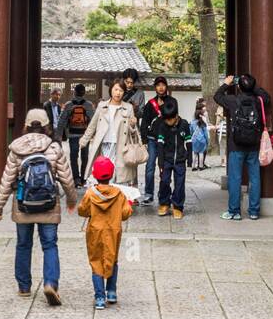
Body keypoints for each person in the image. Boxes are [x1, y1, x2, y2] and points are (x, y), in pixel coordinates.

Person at [0, 108, 78, 306]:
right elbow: (67, 179)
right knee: (49, 244)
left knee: (23, 244)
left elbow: (7, 180)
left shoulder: (16, 149)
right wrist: (72, 200)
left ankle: (24, 286)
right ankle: (50, 283)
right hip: (49, 205)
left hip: (23, 205)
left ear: (27, 126)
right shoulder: (54, 149)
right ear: (47, 126)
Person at [213, 73, 273, 221]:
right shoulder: (258, 101)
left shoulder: (233, 100)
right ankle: (254, 212)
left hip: (236, 145)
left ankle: (234, 212)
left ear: (239, 86)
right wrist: (254, 87)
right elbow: (267, 97)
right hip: (253, 144)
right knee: (255, 178)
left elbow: (217, 96)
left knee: (235, 178)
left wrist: (227, 83)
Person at [78, 156, 133, 310]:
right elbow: (125, 214)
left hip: (95, 232)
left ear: (95, 174)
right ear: (111, 174)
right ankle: (112, 292)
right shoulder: (119, 194)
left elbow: (82, 211)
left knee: (96, 261)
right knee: (112, 258)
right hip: (113, 231)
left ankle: (100, 297)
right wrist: (129, 204)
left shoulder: (90, 193)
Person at [77, 80, 140, 185]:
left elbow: (132, 133)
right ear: (111, 90)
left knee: (117, 173)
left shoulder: (128, 107)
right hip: (104, 144)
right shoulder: (102, 106)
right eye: (116, 89)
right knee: (104, 171)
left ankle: (114, 194)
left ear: (124, 92)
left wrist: (133, 125)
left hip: (120, 146)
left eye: (121, 90)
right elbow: (92, 125)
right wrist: (84, 140)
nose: (118, 93)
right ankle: (105, 194)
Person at [150, 96, 192, 218]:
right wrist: (161, 163)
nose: (168, 122)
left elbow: (188, 142)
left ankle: (178, 206)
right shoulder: (163, 126)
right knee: (164, 181)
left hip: (180, 160)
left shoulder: (184, 124)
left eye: (170, 120)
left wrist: (189, 159)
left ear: (176, 116)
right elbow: (160, 145)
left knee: (179, 183)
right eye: (166, 119)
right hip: (166, 160)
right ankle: (164, 203)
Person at [137, 76, 170, 205]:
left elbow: (172, 118)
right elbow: (144, 122)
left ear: (166, 86)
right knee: (150, 166)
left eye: (163, 85)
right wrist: (144, 139)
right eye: (158, 85)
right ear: (155, 88)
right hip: (152, 139)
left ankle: (164, 192)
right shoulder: (150, 104)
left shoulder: (172, 102)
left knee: (165, 167)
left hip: (167, 140)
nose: (161, 87)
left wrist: (162, 108)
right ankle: (149, 193)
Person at [62, 83, 94, 184]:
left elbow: (62, 120)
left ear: (74, 92)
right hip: (85, 135)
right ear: (84, 93)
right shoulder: (88, 105)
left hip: (72, 134)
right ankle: (84, 178)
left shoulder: (69, 104)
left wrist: (59, 135)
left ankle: (76, 179)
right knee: (85, 157)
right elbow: (93, 121)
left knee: (73, 157)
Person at [190, 101, 211, 171]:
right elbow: (205, 133)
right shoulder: (203, 123)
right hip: (202, 140)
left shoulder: (192, 123)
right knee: (201, 153)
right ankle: (201, 165)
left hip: (194, 139)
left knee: (194, 153)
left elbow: (191, 131)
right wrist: (207, 140)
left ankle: (193, 166)